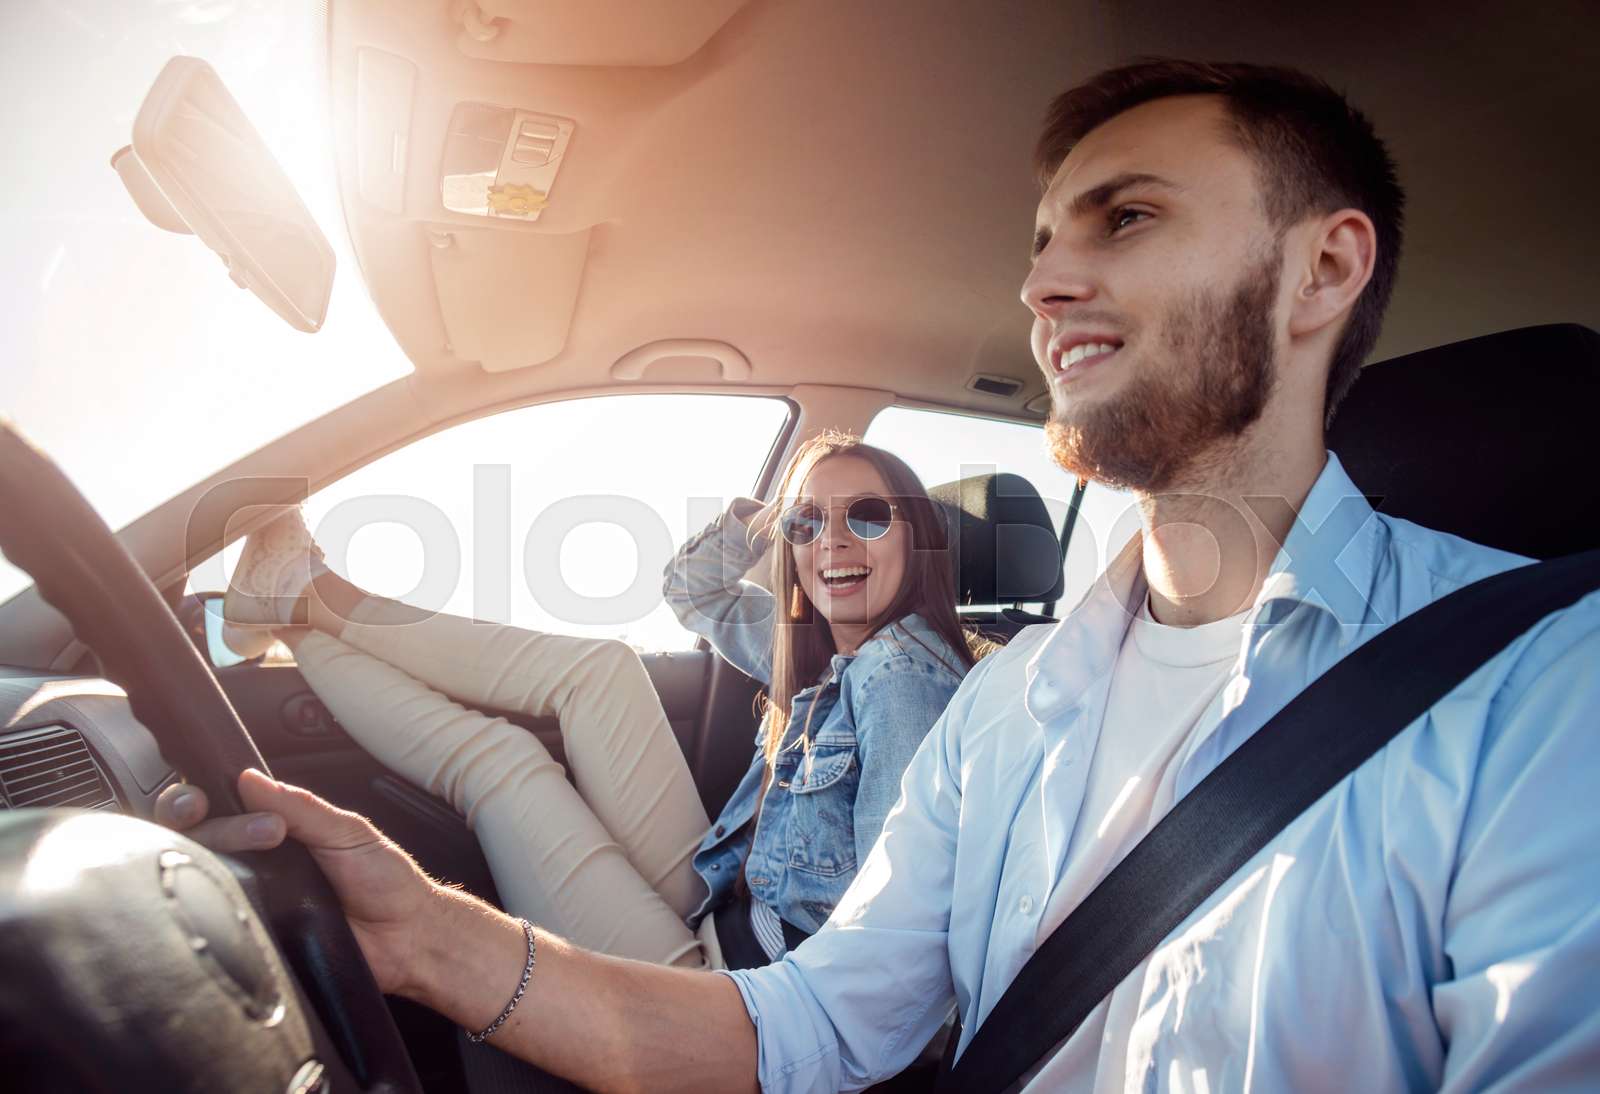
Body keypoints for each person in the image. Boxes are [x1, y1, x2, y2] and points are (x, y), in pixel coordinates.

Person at [163, 59, 1600, 1091]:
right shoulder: (1018, 703)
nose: (1040, 287)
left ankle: (318, 609)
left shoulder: (1548, 684)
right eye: (1041, 244)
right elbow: (810, 1029)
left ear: (1323, 270)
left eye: (1128, 218)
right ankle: (311, 614)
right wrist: (429, 940)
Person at [216, 430, 975, 970]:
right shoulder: (823, 649)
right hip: (726, 895)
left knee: (498, 765)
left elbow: (888, 949)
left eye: (868, 515)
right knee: (605, 669)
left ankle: (301, 600)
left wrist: (742, 1027)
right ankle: (291, 600)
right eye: (809, 523)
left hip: (747, 998)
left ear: (921, 538)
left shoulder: (901, 680)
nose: (832, 541)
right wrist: (768, 513)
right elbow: (690, 586)